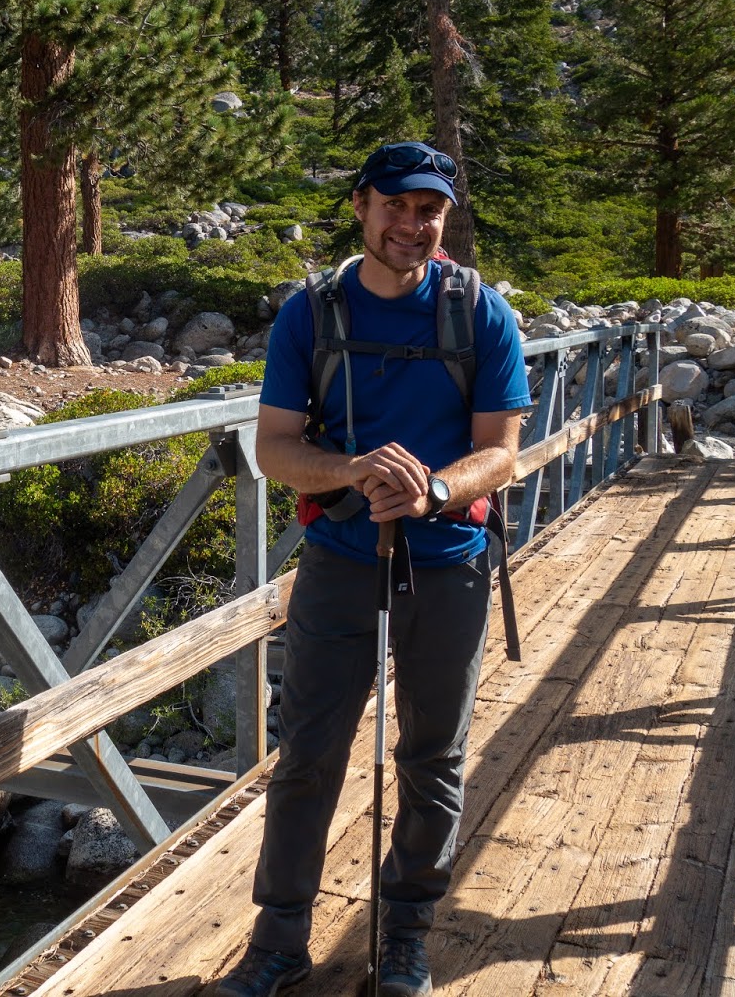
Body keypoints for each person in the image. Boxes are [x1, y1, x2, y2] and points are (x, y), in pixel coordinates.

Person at [210, 141, 531, 997]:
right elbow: (276, 449)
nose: (413, 225)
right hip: (342, 560)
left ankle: (405, 939)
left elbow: (501, 453)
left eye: (429, 210)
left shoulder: (481, 312)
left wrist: (430, 488)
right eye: (396, 205)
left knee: (433, 758)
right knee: (309, 755)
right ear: (362, 206)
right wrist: (352, 470)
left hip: (451, 563)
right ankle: (278, 943)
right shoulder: (308, 314)